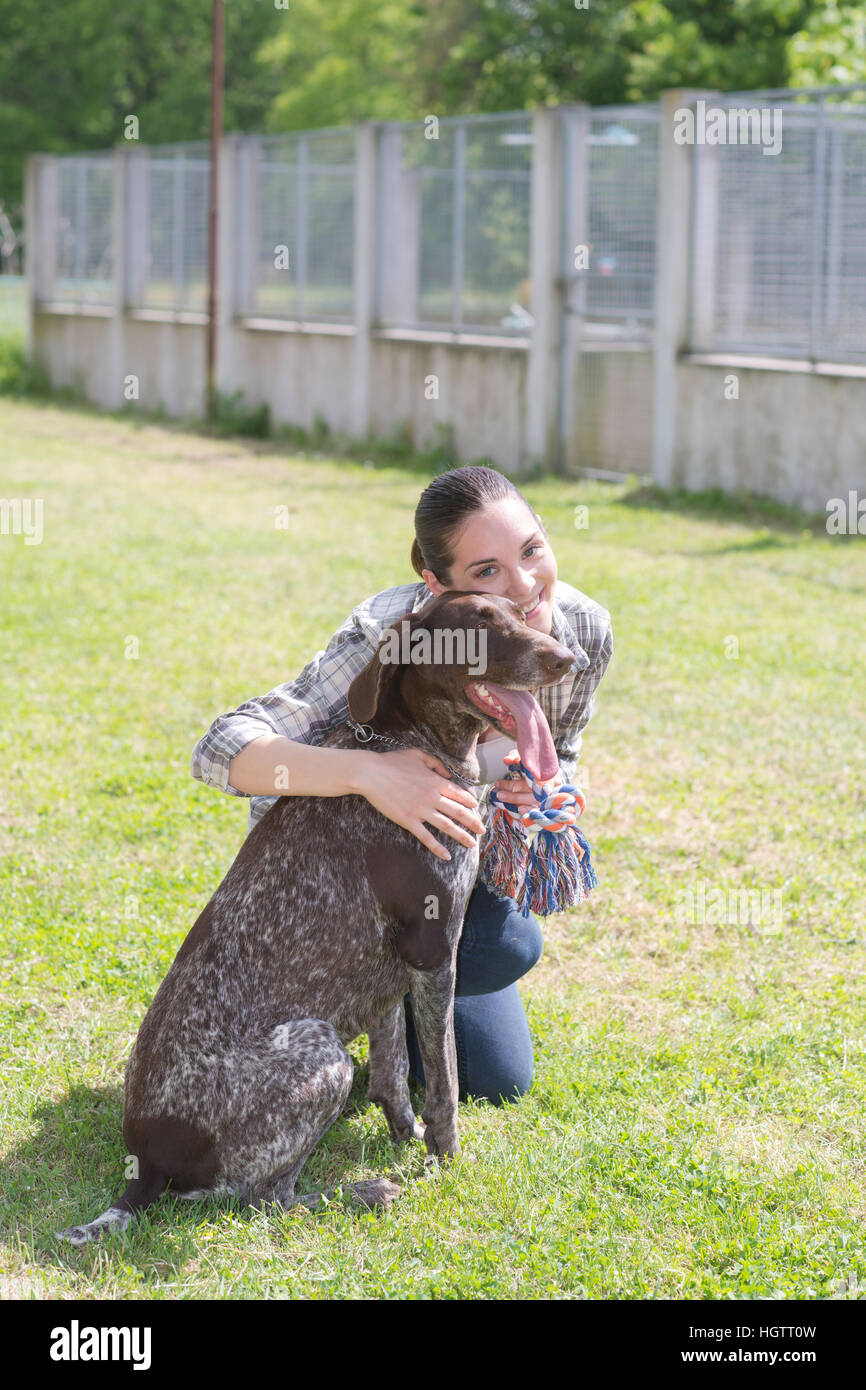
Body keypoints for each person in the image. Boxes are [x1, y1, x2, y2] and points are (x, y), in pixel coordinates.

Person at [190, 465, 613, 1105]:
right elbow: (222, 746)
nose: (525, 587)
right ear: (437, 585)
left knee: (501, 1021)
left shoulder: (580, 631)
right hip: (338, 893)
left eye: (531, 550)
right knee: (492, 954)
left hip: (446, 867)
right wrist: (369, 773)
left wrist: (540, 797)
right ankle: (313, 1009)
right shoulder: (397, 633)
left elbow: (561, 755)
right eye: (487, 572)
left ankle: (393, 1010)